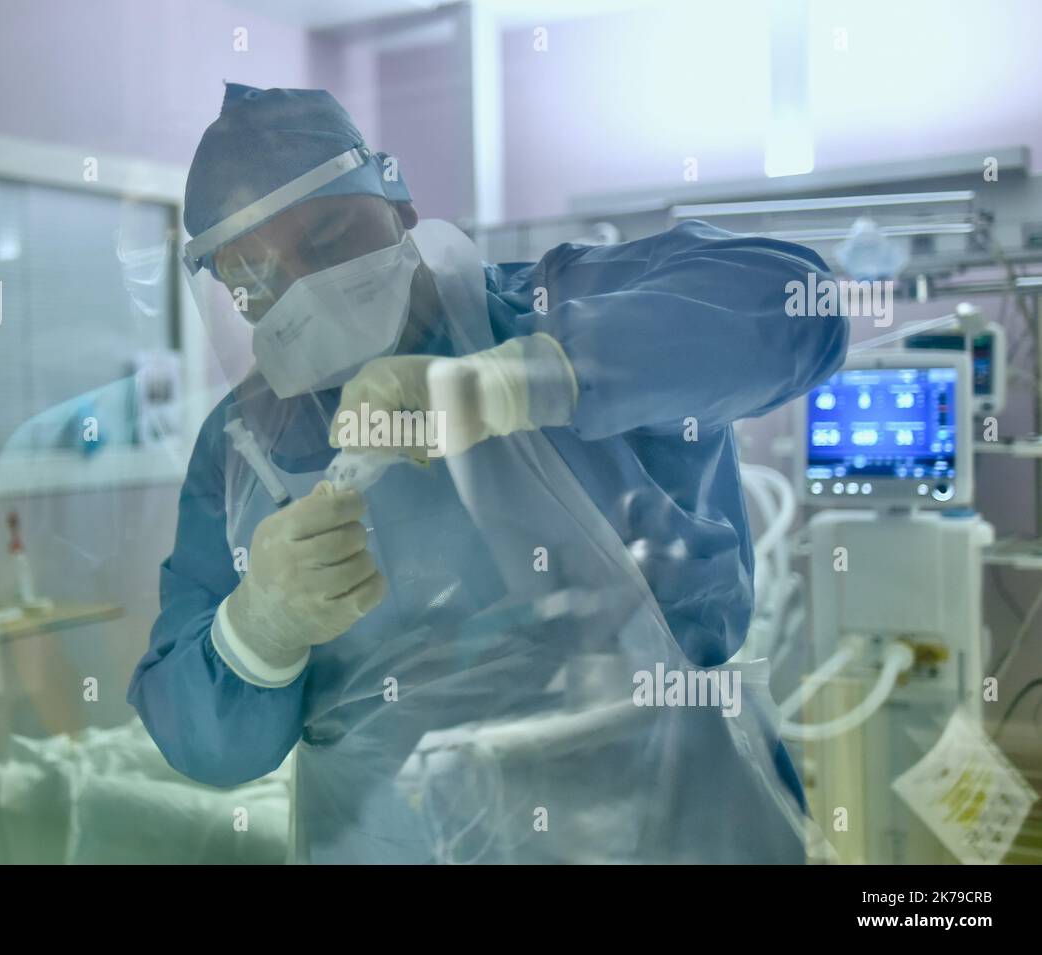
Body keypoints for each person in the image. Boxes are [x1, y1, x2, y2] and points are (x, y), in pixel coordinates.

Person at [129, 83, 849, 863]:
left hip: (660, 818)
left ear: (398, 202)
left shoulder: (552, 306)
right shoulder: (242, 447)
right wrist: (258, 630)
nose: (301, 286)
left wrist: (514, 382)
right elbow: (204, 742)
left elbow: (797, 308)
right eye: (258, 279)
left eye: (331, 237)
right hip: (385, 838)